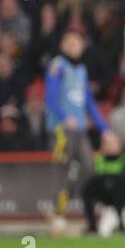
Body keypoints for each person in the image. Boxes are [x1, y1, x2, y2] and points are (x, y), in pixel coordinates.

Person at [45, 26, 114, 222]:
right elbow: (50, 98)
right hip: (61, 130)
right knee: (63, 171)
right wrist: (64, 118)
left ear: (82, 46)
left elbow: (89, 102)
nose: (73, 46)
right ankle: (58, 214)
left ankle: (90, 215)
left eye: (76, 42)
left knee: (90, 169)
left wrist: (104, 129)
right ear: (62, 46)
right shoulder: (57, 66)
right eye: (69, 42)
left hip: (80, 129)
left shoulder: (82, 70)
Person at [81, 131, 125, 237]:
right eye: (105, 143)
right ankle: (92, 225)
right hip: (110, 207)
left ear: (119, 144)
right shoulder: (100, 159)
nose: (108, 146)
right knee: (87, 189)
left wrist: (109, 179)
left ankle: (122, 225)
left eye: (112, 143)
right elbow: (97, 181)